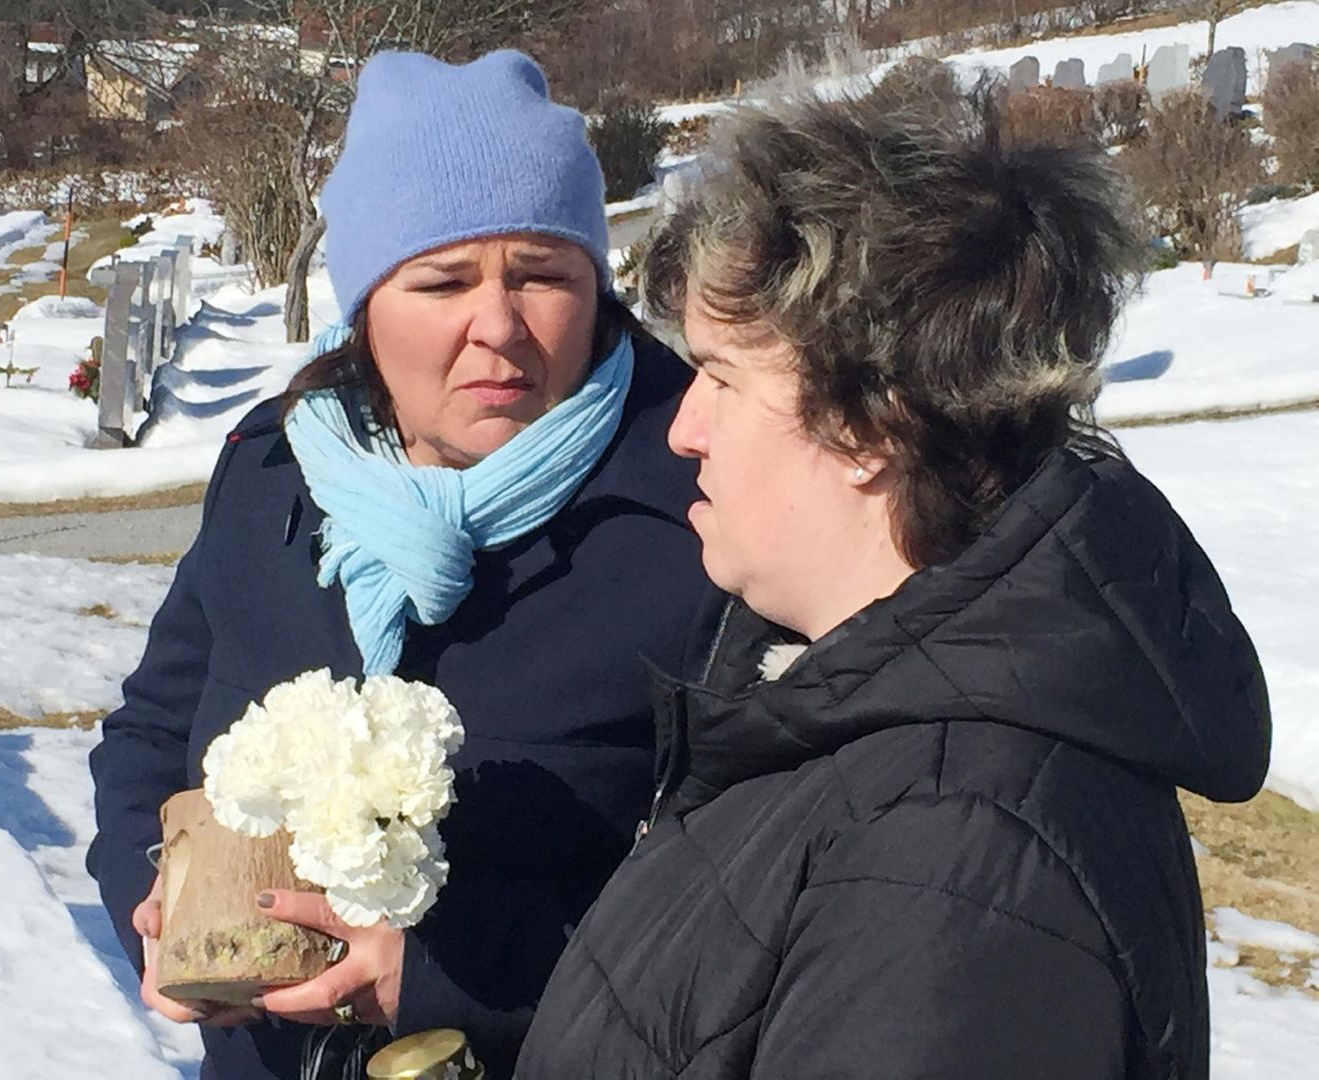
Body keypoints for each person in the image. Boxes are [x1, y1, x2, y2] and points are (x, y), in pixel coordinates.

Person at [517, 88, 1271, 1078]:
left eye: (724, 378)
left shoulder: (955, 867)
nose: (684, 429)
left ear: (869, 424)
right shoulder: (841, 710)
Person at [87, 50, 724, 1080]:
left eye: (543, 274)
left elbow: (741, 915)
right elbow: (153, 732)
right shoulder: (276, 469)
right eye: (443, 282)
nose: (499, 326)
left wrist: (442, 976)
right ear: (365, 307)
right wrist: (153, 904)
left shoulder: (700, 511)